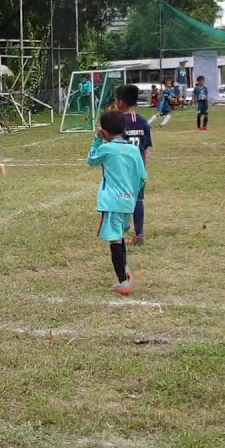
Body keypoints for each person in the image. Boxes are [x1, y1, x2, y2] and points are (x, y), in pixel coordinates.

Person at [88, 111, 146, 296]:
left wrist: (97, 140)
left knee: (115, 240)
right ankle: (125, 274)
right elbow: (142, 176)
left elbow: (91, 159)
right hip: (128, 201)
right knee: (119, 237)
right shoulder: (133, 150)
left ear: (104, 130)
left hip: (112, 201)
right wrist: (133, 194)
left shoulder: (106, 148)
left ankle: (123, 282)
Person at [114, 85, 152, 246]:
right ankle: (139, 233)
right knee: (137, 200)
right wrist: (143, 170)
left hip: (120, 168)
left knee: (118, 200)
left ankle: (118, 235)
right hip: (137, 168)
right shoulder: (142, 121)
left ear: (120, 102)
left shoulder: (117, 121)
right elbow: (144, 148)